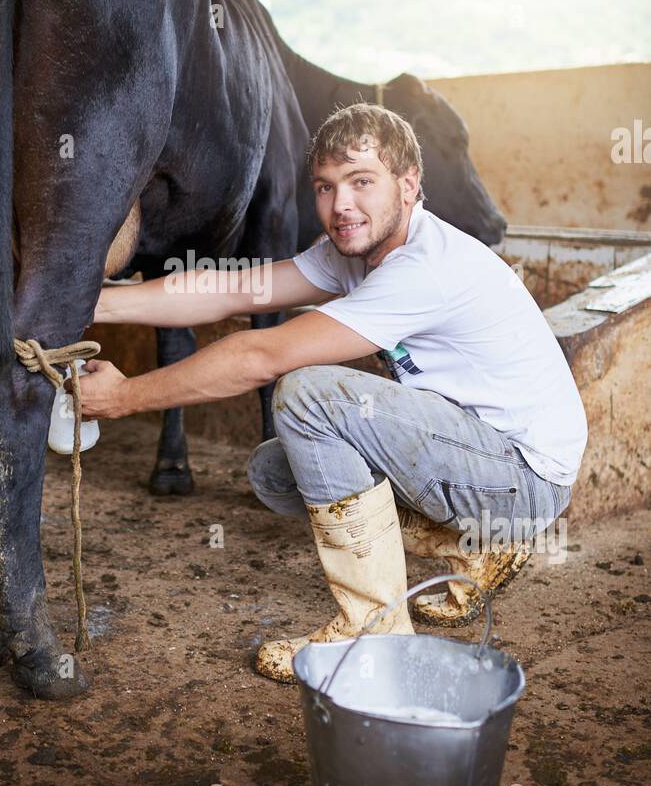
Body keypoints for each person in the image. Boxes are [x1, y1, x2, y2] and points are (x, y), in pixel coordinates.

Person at [73, 103, 587, 683]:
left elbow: (261, 357)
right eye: (325, 186)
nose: (341, 204)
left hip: (523, 479)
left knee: (308, 395)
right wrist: (91, 302)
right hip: (477, 454)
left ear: (409, 185)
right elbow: (232, 291)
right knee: (279, 470)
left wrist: (124, 397)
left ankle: (374, 628)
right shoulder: (356, 251)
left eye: (361, 181)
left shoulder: (422, 267)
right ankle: (473, 546)